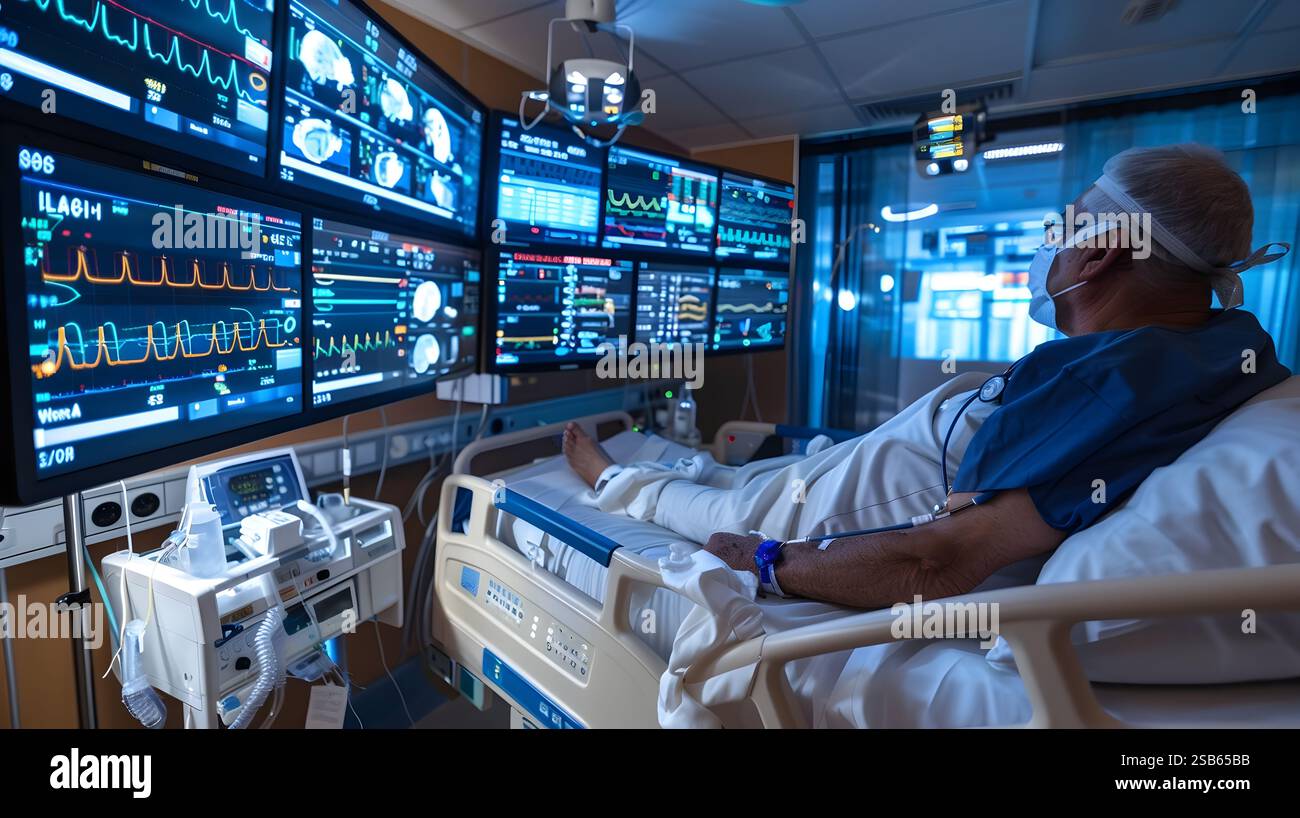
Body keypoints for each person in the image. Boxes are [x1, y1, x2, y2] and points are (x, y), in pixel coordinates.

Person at [561, 144, 1292, 610]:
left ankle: (612, 480)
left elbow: (935, 559)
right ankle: (678, 464)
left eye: (1060, 230)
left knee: (710, 500)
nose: (1048, 250)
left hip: (828, 512)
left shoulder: (1117, 385)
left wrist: (761, 558)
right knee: (732, 470)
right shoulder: (1222, 347)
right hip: (859, 462)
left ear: (1099, 254)